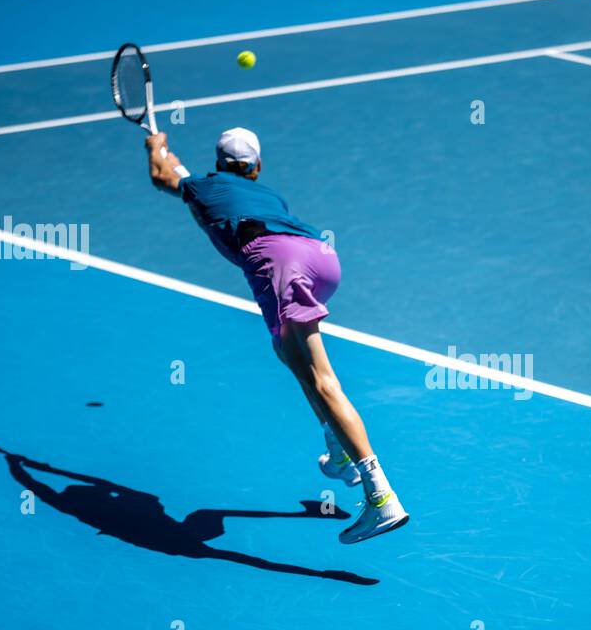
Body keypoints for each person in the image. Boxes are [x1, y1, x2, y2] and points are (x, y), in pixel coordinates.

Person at [143, 127, 408, 545]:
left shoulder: (203, 185)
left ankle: (381, 495)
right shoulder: (265, 196)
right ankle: (338, 450)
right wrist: (173, 162)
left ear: (218, 165)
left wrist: (155, 146)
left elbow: (164, 176)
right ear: (257, 166)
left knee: (322, 378)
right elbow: (184, 178)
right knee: (287, 351)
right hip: (320, 257)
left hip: (276, 262)